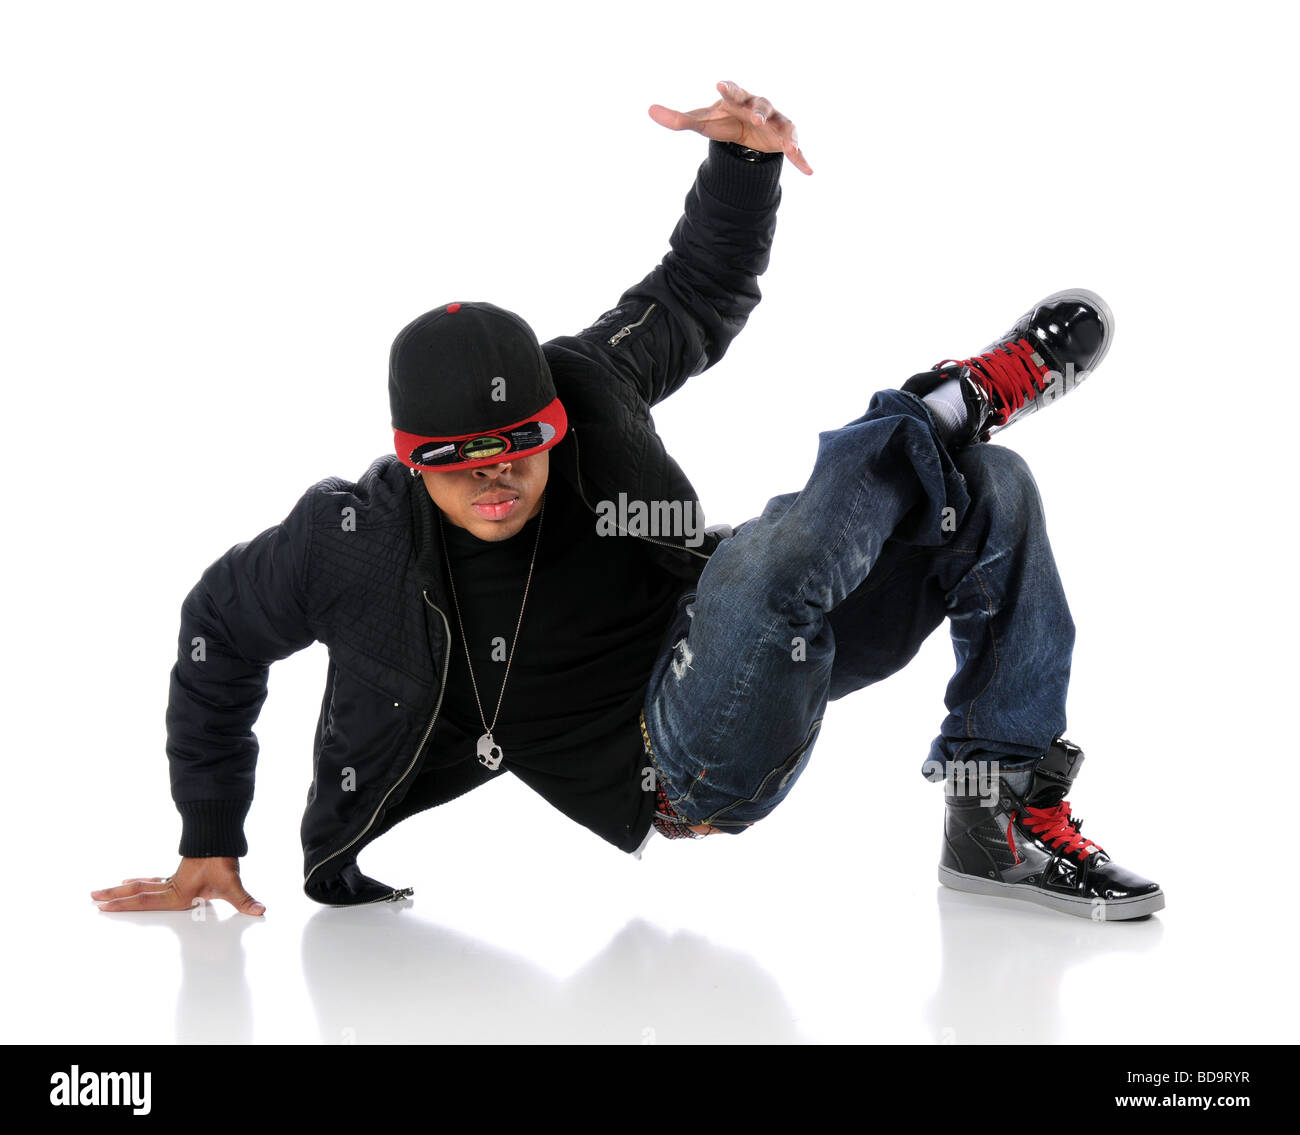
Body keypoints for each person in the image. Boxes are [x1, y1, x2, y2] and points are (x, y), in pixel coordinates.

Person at [92, 79, 1163, 923]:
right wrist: (208, 835)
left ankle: (994, 817)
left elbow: (692, 295)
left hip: (758, 644)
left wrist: (743, 161)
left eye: (521, 448)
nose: (497, 478)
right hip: (680, 764)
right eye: (461, 462)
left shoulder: (585, 382)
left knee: (990, 491)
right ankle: (927, 413)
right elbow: (216, 630)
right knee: (767, 560)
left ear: (552, 420)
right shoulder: (347, 543)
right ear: (412, 458)